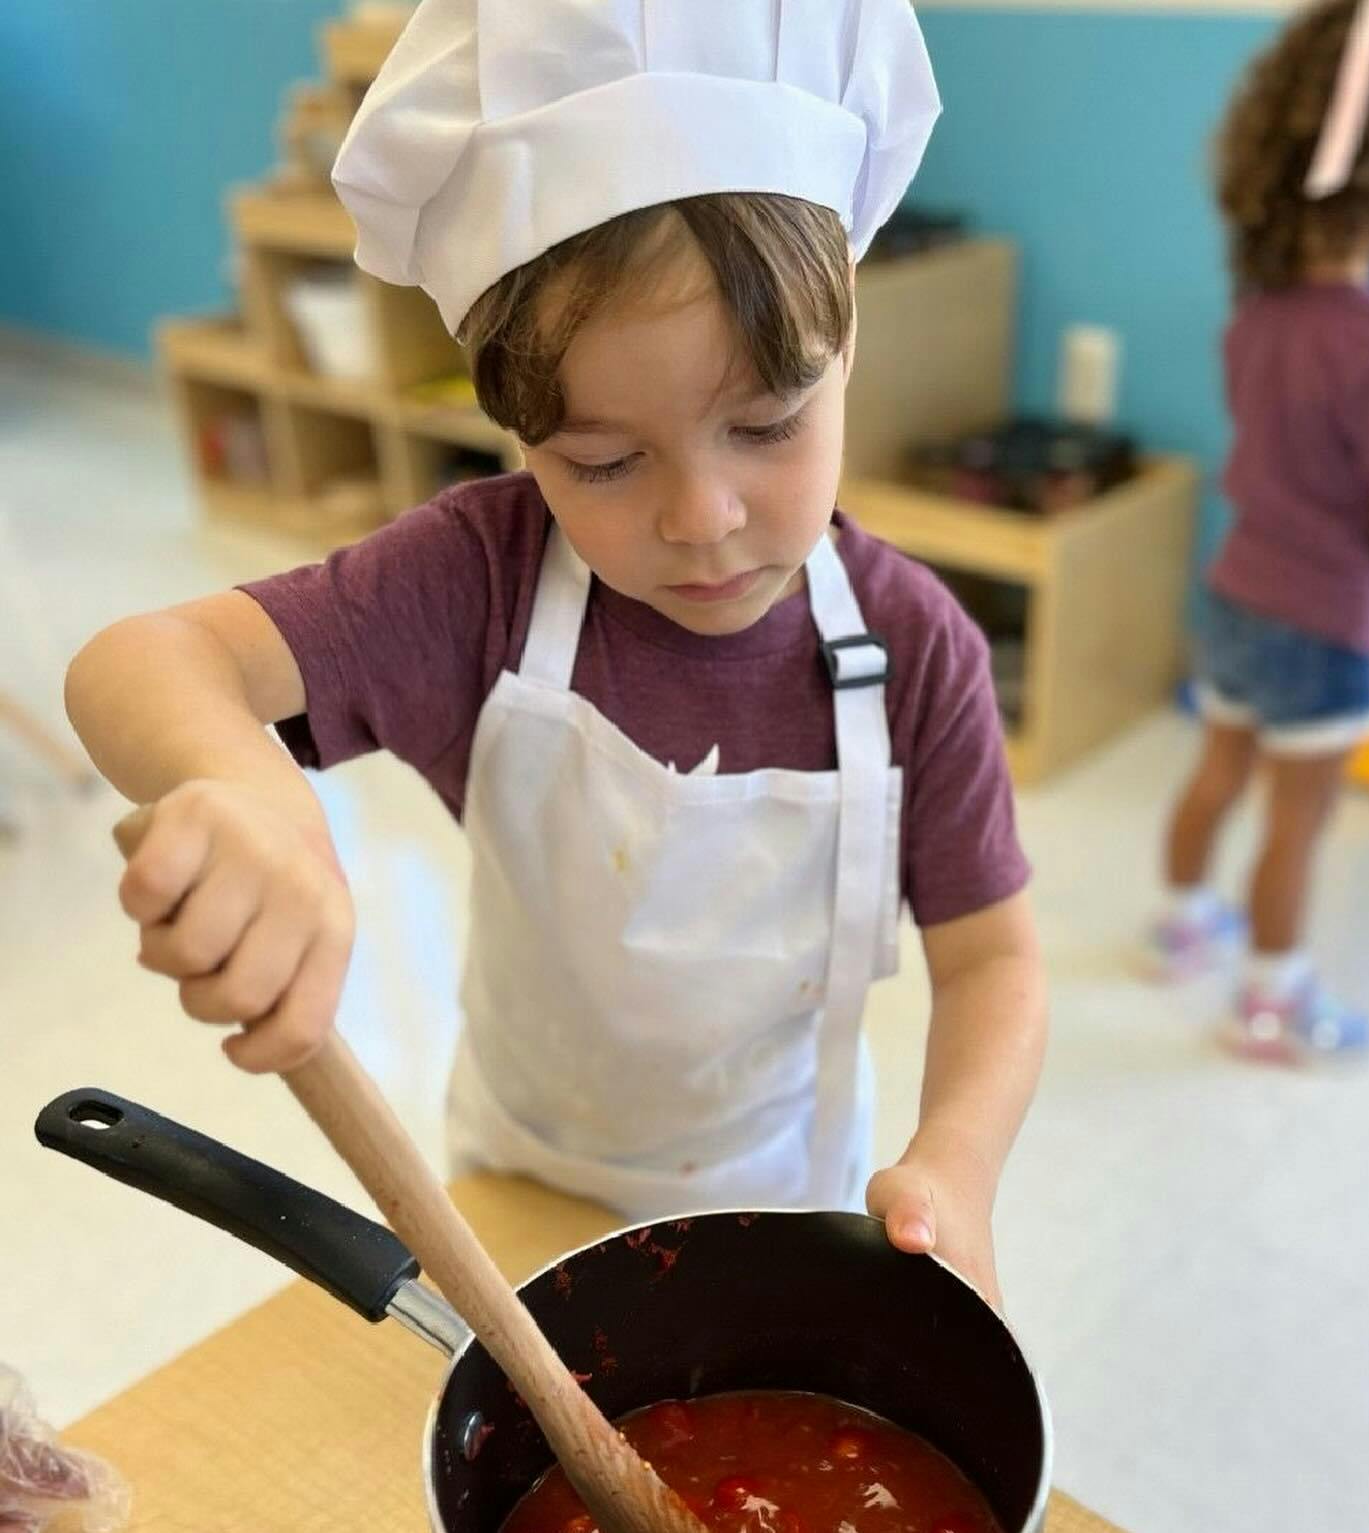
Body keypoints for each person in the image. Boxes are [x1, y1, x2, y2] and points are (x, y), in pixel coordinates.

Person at [65, 0, 1045, 1311]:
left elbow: (992, 962)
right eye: (605, 461)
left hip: (787, 1201)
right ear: (520, 437)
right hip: (522, 1193)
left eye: (768, 424)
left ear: (847, 343)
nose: (701, 518)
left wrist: (958, 1166)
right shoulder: (478, 582)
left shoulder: (913, 649)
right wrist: (255, 799)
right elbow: (141, 661)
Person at [1148, 0, 1369, 1061]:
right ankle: (1271, 997)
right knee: (1298, 819)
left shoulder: (1257, 314)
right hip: (1323, 622)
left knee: (1220, 772)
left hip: (1235, 594)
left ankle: (1180, 923)